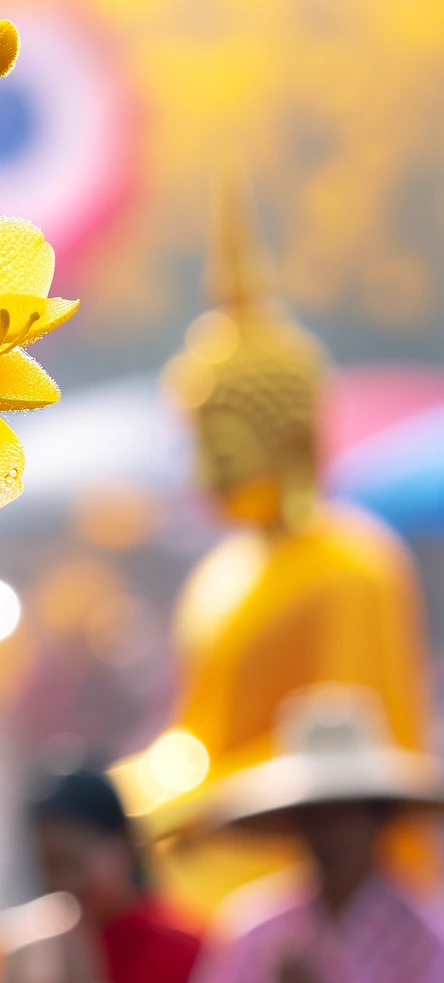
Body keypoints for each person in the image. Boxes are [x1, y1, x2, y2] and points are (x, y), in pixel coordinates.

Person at [137, 175, 437, 912]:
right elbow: (196, 736)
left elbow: (351, 756)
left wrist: (197, 801)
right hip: (218, 819)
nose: (207, 468)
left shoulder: (353, 564)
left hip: (308, 835)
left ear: (287, 435)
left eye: (224, 440)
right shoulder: (220, 576)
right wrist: (146, 792)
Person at [178, 683, 444, 983]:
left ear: (378, 816)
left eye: (344, 813)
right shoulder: (254, 927)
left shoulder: (424, 937)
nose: (328, 833)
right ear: (296, 823)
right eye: (313, 815)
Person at [0, 765, 200, 983]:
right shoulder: (38, 945)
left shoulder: (187, 950)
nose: (64, 881)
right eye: (48, 865)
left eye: (74, 862)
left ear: (122, 842)